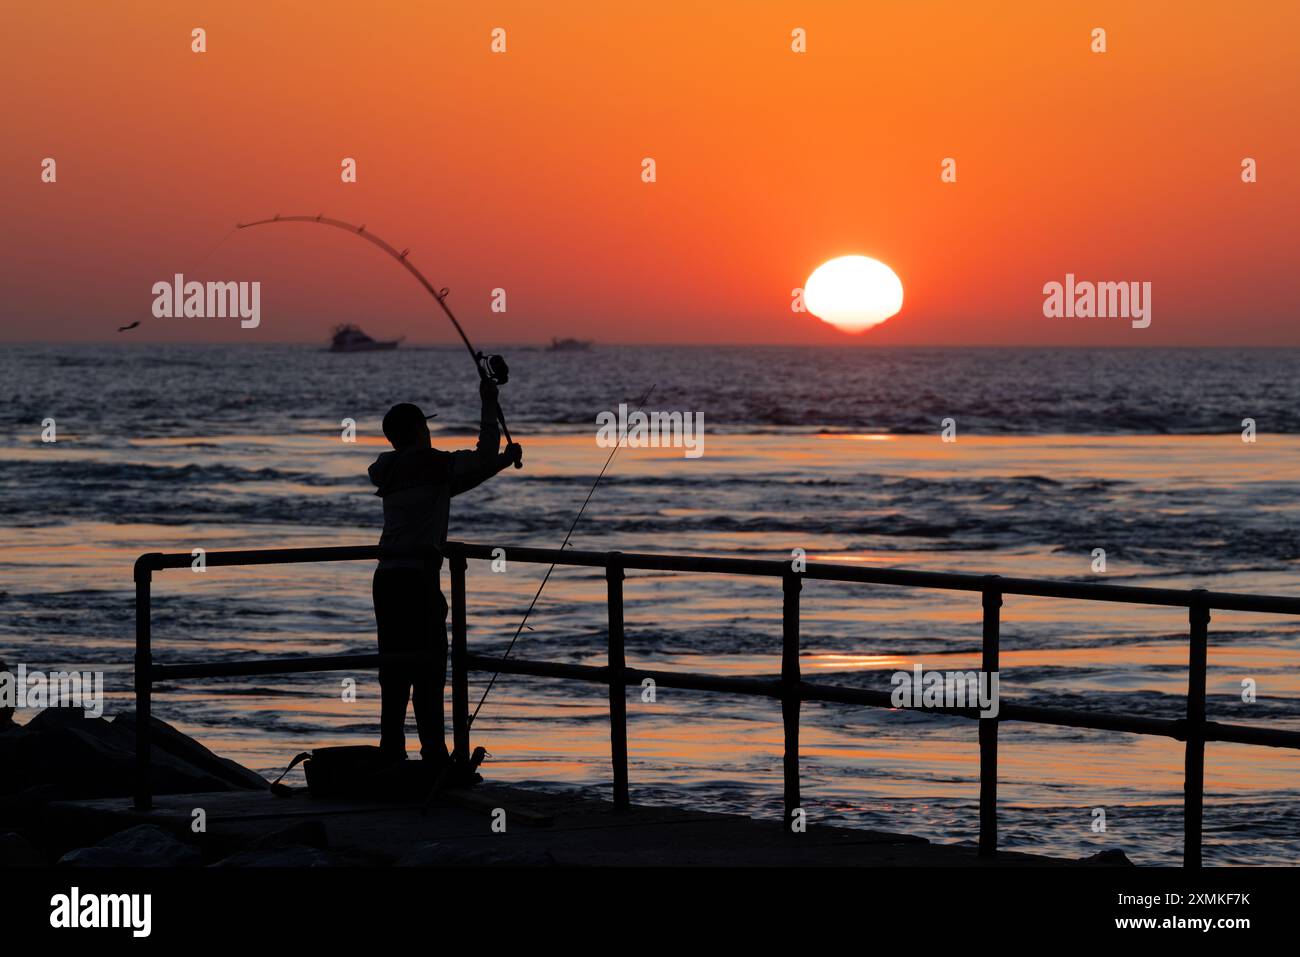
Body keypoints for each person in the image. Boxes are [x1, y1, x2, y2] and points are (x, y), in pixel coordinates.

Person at [368, 378, 521, 769]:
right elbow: (480, 455)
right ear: (420, 429)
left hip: (387, 580)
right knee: (430, 669)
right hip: (417, 581)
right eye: (426, 425)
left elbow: (455, 483)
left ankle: (392, 756)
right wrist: (489, 402)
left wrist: (501, 463)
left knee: (395, 671)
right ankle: (434, 758)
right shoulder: (429, 462)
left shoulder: (395, 469)